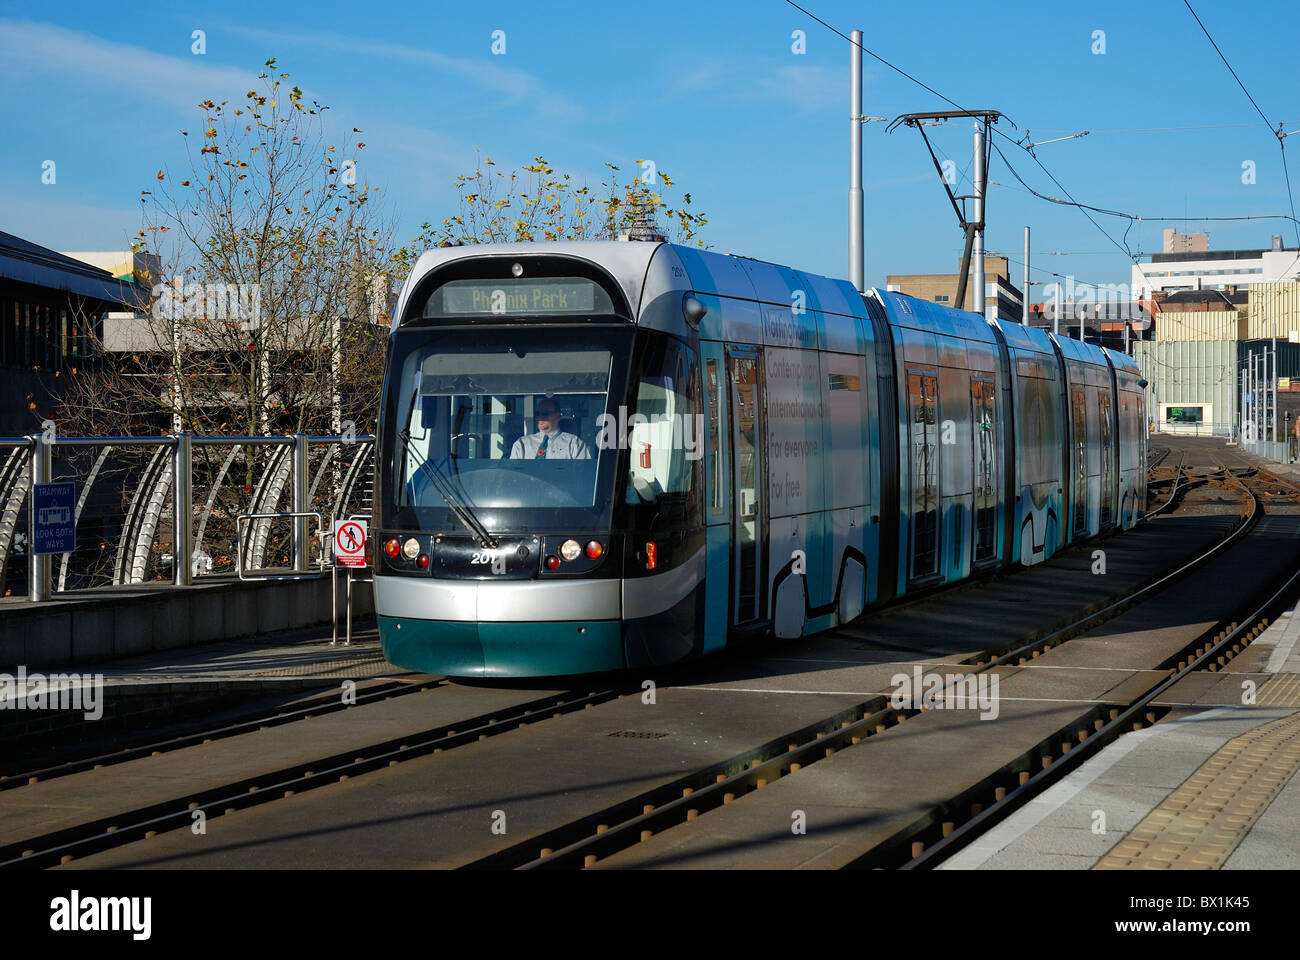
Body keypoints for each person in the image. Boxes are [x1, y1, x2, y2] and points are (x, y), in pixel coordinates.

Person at [509, 397, 591, 460]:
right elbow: (514, 476)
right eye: (537, 414)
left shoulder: (573, 443)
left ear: (558, 416)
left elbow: (583, 473)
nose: (540, 417)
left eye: (545, 414)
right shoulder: (522, 444)